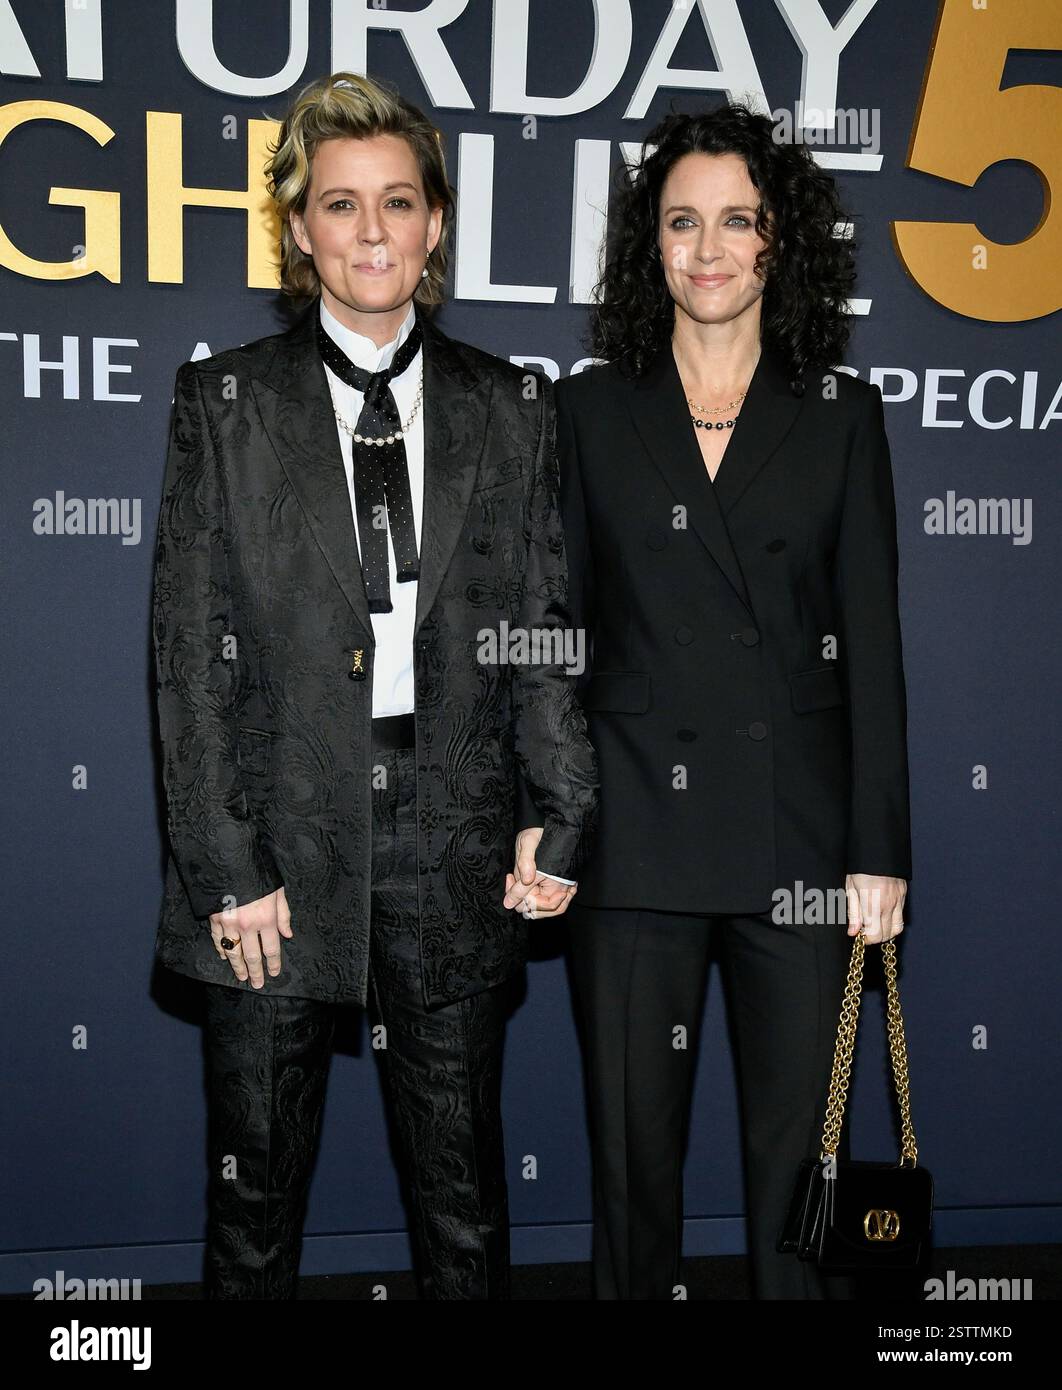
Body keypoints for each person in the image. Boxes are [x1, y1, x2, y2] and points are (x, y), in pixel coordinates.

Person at [151, 70, 597, 1300]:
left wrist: (560, 807)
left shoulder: (513, 408)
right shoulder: (223, 403)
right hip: (273, 850)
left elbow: (541, 627)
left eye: (396, 202)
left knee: (464, 1217)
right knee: (252, 1213)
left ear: (435, 221)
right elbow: (187, 655)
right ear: (299, 231)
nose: (371, 232)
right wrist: (224, 866)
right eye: (340, 206)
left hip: (452, 842)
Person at [543, 103, 911, 1299]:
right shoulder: (591, 412)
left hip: (795, 844)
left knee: (797, 1186)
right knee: (629, 1175)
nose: (707, 249)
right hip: (634, 839)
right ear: (652, 246)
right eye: (681, 222)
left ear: (775, 244)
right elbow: (554, 639)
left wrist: (878, 849)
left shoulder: (843, 415)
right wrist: (548, 821)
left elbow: (873, 647)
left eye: (735, 222)